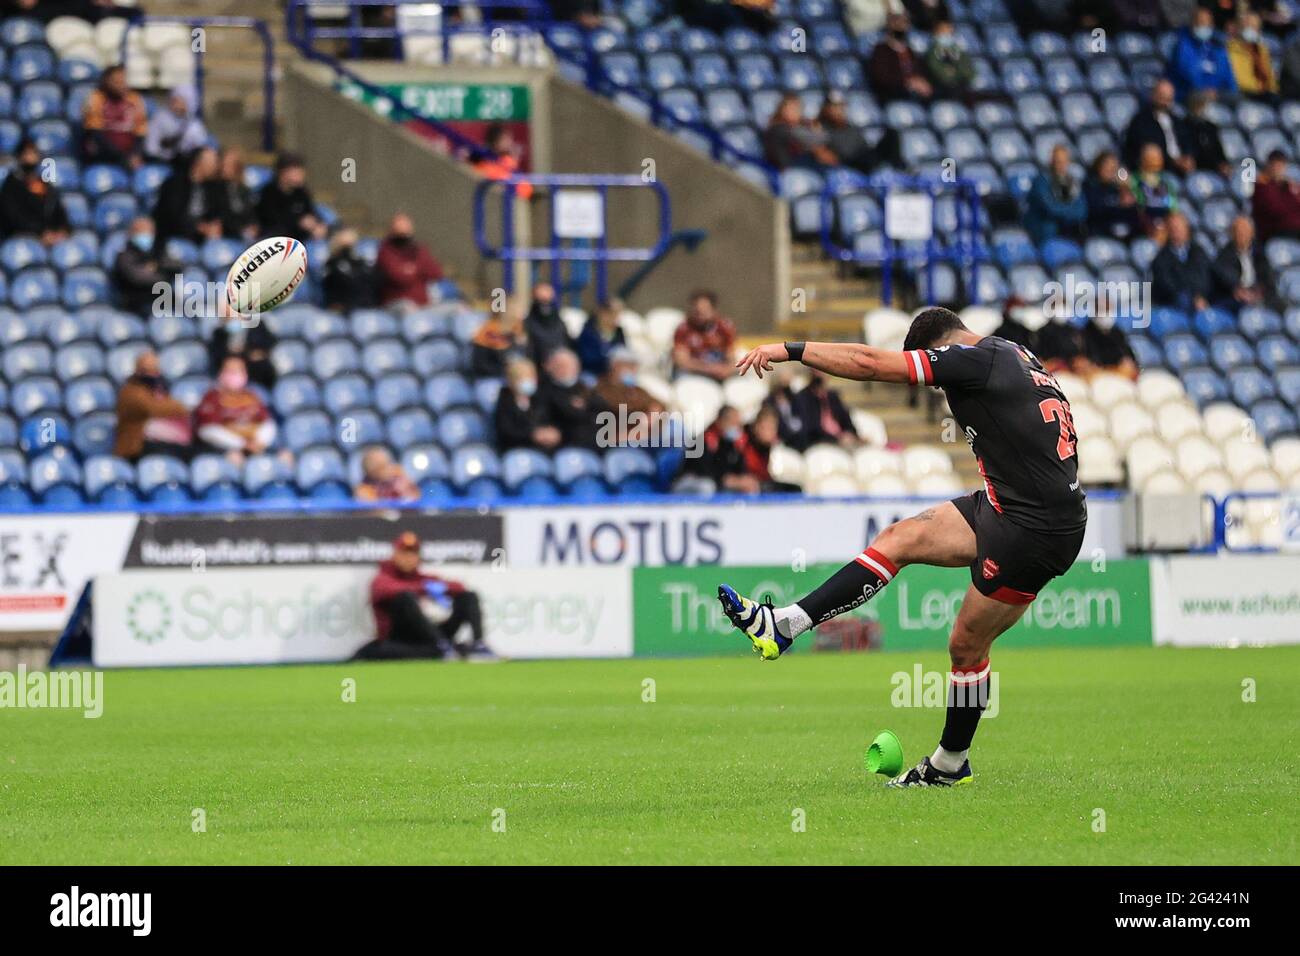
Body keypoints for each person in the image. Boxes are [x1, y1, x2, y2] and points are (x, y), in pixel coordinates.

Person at [721, 309, 1088, 787]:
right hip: (1010, 506)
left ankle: (949, 765)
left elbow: (870, 363)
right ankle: (783, 626)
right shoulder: (1017, 355)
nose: (939, 387)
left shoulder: (973, 358)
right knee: (899, 539)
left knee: (966, 646)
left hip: (1034, 528)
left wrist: (789, 350)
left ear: (937, 346)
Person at [355, 531, 488, 661]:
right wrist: (423, 588)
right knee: (405, 598)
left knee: (468, 596)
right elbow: (385, 590)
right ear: (394, 555)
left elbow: (459, 587)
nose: (409, 558)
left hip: (431, 634)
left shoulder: (423, 578)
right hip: (400, 639)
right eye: (404, 553)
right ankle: (443, 646)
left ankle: (479, 645)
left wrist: (442, 589)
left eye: (413, 554)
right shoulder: (382, 578)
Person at [193, 356, 279, 462]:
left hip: (254, 445)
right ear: (221, 373)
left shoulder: (252, 395)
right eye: (230, 370)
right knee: (235, 458)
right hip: (224, 449)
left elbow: (267, 423)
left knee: (284, 456)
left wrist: (260, 441)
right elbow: (207, 430)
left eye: (239, 370)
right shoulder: (211, 397)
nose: (235, 374)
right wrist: (240, 443)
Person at [113, 350, 193, 462]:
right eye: (146, 370)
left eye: (155, 370)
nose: (152, 374)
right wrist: (176, 405)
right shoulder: (130, 391)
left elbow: (176, 408)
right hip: (135, 447)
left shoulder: (158, 390)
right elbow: (152, 409)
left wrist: (174, 406)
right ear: (138, 370)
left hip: (158, 442)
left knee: (192, 452)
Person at [673, 405, 762, 496]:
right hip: (690, 481)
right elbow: (703, 470)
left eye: (738, 424)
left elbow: (739, 469)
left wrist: (743, 480)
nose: (736, 428)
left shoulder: (734, 444)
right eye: (732, 423)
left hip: (718, 483)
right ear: (720, 421)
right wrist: (727, 480)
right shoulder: (703, 440)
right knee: (707, 486)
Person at [536, 348, 610, 450]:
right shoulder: (543, 390)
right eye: (559, 366)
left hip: (595, 441)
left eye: (568, 365)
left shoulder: (586, 387)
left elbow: (601, 407)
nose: (564, 369)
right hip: (564, 444)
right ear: (550, 367)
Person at [0, 138, 70, 244]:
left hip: (50, 238)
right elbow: (14, 217)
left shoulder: (44, 184)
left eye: (33, 153)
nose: (30, 157)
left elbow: (57, 209)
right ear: (19, 157)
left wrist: (62, 230)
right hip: (21, 238)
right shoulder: (11, 185)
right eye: (27, 153)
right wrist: (40, 232)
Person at [151, 146, 222, 248]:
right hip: (174, 237)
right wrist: (199, 227)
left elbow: (217, 212)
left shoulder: (212, 187)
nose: (216, 166)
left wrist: (215, 225)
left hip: (203, 240)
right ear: (199, 163)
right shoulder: (174, 184)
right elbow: (171, 215)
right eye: (213, 162)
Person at [594, 346, 666, 445]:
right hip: (615, 440)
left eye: (634, 366)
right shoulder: (603, 387)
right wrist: (642, 416)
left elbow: (658, 404)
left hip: (642, 439)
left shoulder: (636, 389)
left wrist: (651, 414)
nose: (633, 370)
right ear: (615, 366)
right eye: (628, 365)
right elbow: (616, 408)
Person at [817, 91, 902, 174]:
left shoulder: (852, 128)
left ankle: (899, 170)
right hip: (846, 165)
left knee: (892, 133)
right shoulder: (821, 128)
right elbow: (825, 156)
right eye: (834, 106)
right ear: (826, 108)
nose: (839, 110)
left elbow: (865, 147)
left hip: (864, 161)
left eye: (841, 106)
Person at [81, 65, 147, 168]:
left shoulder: (134, 99)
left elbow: (141, 132)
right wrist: (124, 157)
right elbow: (96, 133)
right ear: (106, 82)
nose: (122, 85)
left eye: (123, 81)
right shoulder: (96, 98)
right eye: (117, 82)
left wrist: (135, 154)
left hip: (129, 152)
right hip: (105, 152)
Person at [374, 212, 443, 308]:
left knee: (458, 309)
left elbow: (436, 273)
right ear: (392, 230)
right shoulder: (385, 250)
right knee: (408, 308)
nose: (404, 235)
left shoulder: (419, 249)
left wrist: (412, 268)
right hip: (396, 304)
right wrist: (419, 269)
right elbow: (400, 277)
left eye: (406, 229)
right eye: (399, 230)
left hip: (423, 304)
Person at [1167, 7, 1237, 101]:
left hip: (1216, 97)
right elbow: (1186, 70)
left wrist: (1223, 93)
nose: (1203, 26)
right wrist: (1204, 91)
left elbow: (1228, 75)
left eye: (1206, 23)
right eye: (1199, 23)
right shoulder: (1182, 43)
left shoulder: (1218, 46)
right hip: (1188, 95)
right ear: (1192, 24)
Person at [494, 357, 562, 452]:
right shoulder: (505, 401)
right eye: (523, 377)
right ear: (512, 380)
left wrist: (553, 433)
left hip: (543, 450)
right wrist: (532, 435)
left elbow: (549, 420)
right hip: (516, 450)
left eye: (531, 377)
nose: (529, 381)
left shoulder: (539, 399)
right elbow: (505, 431)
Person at [1122, 80, 1191, 173]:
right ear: (1153, 95)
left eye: (1168, 98)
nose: (1165, 102)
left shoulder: (1177, 121)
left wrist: (1188, 157)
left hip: (1182, 169)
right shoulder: (1141, 121)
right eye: (1162, 97)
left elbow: (1187, 141)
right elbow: (1147, 150)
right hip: (1159, 170)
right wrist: (1174, 161)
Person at [1024, 144, 1087, 245]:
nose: (1061, 165)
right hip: (1045, 232)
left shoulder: (1072, 182)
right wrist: (1070, 209)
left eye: (1064, 161)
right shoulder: (1041, 181)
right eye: (1058, 161)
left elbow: (1081, 210)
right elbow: (1050, 208)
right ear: (1051, 162)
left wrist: (1064, 210)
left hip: (1069, 231)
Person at [1212, 214, 1278, 310]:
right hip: (1236, 297)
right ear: (1232, 234)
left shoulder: (1259, 253)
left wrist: (1261, 291)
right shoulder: (1224, 255)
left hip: (1258, 293)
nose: (1242, 235)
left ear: (1252, 233)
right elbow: (1226, 276)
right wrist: (1239, 289)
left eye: (1246, 231)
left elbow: (1267, 275)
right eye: (1239, 232)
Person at [114, 217, 177, 315]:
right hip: (136, 307)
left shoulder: (157, 251)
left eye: (150, 231)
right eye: (142, 231)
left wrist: (156, 268)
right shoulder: (124, 255)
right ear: (131, 233)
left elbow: (177, 266)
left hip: (163, 303)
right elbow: (138, 278)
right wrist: (164, 274)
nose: (147, 235)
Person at [1150, 212, 1213, 311]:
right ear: (1168, 231)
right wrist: (1192, 297)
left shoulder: (1199, 252)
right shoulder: (1160, 258)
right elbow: (1167, 284)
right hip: (1173, 302)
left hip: (1199, 298)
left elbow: (1204, 276)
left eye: (1179, 227)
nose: (1176, 231)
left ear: (1187, 229)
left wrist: (1199, 295)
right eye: (1173, 228)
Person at [256, 153, 328, 240]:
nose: (302, 174)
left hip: (303, 237)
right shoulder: (268, 193)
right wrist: (299, 223)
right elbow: (272, 223)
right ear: (283, 173)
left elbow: (312, 212)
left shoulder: (301, 192)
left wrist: (318, 225)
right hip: (278, 240)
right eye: (297, 171)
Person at [672, 289, 737, 382]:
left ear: (713, 310)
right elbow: (682, 361)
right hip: (694, 373)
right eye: (697, 311)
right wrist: (709, 369)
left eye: (704, 311)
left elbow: (731, 356)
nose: (700, 315)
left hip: (719, 371)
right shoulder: (683, 329)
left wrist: (727, 370)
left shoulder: (725, 327)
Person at [867, 13, 932, 103]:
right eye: (897, 23)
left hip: (914, 94)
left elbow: (919, 71)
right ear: (889, 26)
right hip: (893, 94)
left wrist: (922, 83)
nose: (901, 26)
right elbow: (881, 77)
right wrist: (908, 83)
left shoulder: (910, 51)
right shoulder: (881, 50)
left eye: (904, 23)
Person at [737, 405, 802, 493]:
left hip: (761, 484)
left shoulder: (768, 446)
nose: (770, 433)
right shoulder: (741, 443)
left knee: (794, 489)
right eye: (766, 428)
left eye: (773, 428)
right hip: (743, 489)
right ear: (756, 427)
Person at [208, 309, 278, 391]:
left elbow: (264, 352)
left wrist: (244, 356)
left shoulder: (258, 328)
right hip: (226, 381)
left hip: (256, 379)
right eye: (227, 314)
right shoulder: (218, 334)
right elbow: (216, 357)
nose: (232, 316)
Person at [762, 93, 834, 170]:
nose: (795, 112)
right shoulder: (777, 128)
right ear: (781, 110)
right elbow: (811, 140)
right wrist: (818, 137)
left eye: (798, 108)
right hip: (785, 171)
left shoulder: (800, 126)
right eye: (791, 108)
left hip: (801, 168)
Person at [143, 86, 210, 165]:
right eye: (174, 100)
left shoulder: (195, 126)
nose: (176, 105)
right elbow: (151, 148)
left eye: (180, 101)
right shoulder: (159, 119)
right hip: (160, 163)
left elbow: (202, 148)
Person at [793, 371, 859, 448]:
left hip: (842, 440)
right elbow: (811, 428)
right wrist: (837, 439)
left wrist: (852, 434)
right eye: (817, 371)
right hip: (821, 443)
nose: (820, 373)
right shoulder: (803, 397)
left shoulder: (833, 396)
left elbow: (846, 420)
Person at [1083, 150, 1140, 239]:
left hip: (1125, 237)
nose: (1111, 170)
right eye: (1107, 166)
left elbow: (1135, 214)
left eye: (1114, 167)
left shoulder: (1119, 189)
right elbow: (1093, 211)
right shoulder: (1090, 186)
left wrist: (1126, 190)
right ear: (1099, 166)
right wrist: (1118, 205)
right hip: (1099, 236)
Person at [472, 123, 533, 199]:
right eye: (505, 139)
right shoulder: (485, 161)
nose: (509, 143)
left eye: (509, 139)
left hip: (515, 202)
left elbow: (526, 190)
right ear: (495, 142)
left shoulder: (510, 161)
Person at [1250, 149, 1300, 242]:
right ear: (1268, 165)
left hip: (1292, 231)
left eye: (1281, 165)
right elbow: (1277, 211)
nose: (1278, 169)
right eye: (1275, 165)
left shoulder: (1288, 186)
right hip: (1274, 234)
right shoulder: (1261, 186)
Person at [321, 227, 375, 312]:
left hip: (361, 306)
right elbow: (331, 284)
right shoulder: (332, 263)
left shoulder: (360, 262)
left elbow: (368, 282)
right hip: (340, 307)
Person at [1227, 12, 1279, 99]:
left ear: (1258, 29)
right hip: (1244, 94)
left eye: (1253, 26)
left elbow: (1271, 78)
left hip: (1265, 95)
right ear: (1239, 27)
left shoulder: (1263, 50)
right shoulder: (1229, 49)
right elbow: (1236, 79)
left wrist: (1272, 91)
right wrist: (1257, 89)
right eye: (1247, 25)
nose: (1250, 29)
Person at [470, 298, 526, 377]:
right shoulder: (488, 331)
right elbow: (479, 363)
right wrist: (505, 371)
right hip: (491, 377)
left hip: (516, 377)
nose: (521, 312)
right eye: (516, 308)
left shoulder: (520, 329)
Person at [211, 147, 258, 241]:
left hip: (244, 234)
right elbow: (220, 216)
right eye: (223, 164)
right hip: (227, 235)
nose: (224, 167)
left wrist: (253, 227)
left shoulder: (244, 189)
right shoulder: (215, 188)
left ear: (238, 167)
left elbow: (251, 214)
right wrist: (240, 230)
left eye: (228, 165)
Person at [761, 364, 811, 450]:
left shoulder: (794, 398)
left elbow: (803, 416)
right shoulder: (769, 401)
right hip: (782, 440)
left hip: (799, 438)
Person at [922, 19, 975, 101]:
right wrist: (951, 73)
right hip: (939, 89)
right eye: (943, 31)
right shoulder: (931, 51)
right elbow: (935, 67)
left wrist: (956, 72)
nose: (946, 34)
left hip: (960, 87)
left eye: (949, 31)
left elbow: (967, 69)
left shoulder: (958, 50)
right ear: (936, 33)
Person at [1132, 143, 1179, 233]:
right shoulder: (1134, 180)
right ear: (1143, 159)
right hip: (1145, 224)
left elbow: (1173, 207)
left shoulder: (1166, 181)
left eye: (1158, 157)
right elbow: (1138, 205)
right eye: (1152, 157)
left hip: (1166, 223)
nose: (1157, 160)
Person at [522, 281, 572, 364]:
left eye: (547, 298)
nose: (545, 301)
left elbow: (567, 344)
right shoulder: (527, 323)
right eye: (541, 299)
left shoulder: (560, 322)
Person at [574, 299, 627, 377]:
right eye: (613, 314)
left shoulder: (619, 332)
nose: (616, 318)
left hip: (613, 373)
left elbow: (623, 352)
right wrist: (609, 360)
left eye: (618, 315)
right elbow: (587, 357)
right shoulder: (588, 332)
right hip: (592, 372)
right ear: (603, 314)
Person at [1183, 91, 1230, 175]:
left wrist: (1223, 164)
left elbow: (1218, 150)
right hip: (1195, 168)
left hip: (1215, 168)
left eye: (1202, 105)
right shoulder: (1184, 125)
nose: (1201, 109)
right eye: (1197, 105)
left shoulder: (1211, 127)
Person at [1081, 313, 1139, 380]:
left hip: (1121, 376)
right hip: (1100, 378)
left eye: (1108, 310)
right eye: (1102, 310)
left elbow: (1130, 359)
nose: (1105, 314)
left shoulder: (1117, 332)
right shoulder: (1086, 333)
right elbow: (1089, 365)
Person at [354, 447, 420, 502]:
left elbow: (416, 497)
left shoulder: (398, 474)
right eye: (381, 467)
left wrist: (405, 491)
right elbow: (373, 509)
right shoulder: (364, 489)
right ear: (370, 472)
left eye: (388, 463)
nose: (388, 469)